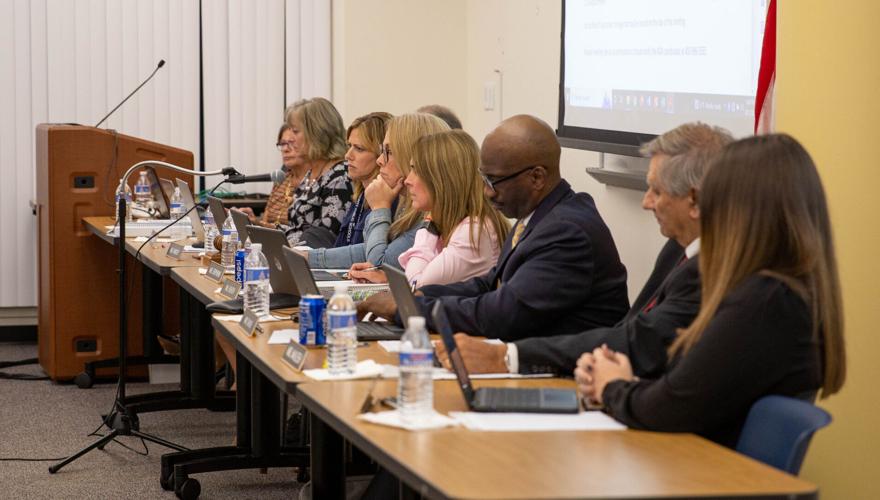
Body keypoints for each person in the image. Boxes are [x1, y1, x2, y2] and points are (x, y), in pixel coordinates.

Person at [577, 133, 846, 448]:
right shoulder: (776, 292)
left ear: (739, 210)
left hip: (704, 476)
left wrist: (613, 386)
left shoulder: (765, 301)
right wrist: (623, 381)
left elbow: (670, 406)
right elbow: (690, 391)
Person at [439, 122, 733, 377]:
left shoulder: (568, 230)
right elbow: (632, 330)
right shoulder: (677, 249)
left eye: (656, 190)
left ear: (694, 202)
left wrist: (507, 358)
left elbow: (643, 341)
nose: (645, 202)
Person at [358, 114, 629, 341]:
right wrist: (417, 296)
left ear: (537, 177)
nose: (486, 192)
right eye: (483, 179)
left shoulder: (566, 232)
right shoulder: (537, 216)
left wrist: (412, 308)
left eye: (493, 181)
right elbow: (489, 284)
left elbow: (502, 312)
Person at [350, 130, 509, 287]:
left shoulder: (473, 231)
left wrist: (428, 222)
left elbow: (417, 285)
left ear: (443, 179)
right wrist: (389, 279)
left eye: (416, 171)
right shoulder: (455, 224)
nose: (408, 180)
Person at [306, 113, 450, 268]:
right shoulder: (407, 205)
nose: (380, 160)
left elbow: (377, 265)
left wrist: (380, 207)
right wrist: (309, 258)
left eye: (389, 152)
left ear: (414, 157)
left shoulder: (428, 212)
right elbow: (370, 250)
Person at [281, 97, 353, 247]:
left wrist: (280, 245)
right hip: (295, 258)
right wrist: (259, 226)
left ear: (316, 133)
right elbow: (298, 228)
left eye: (295, 131)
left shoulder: (340, 177)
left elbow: (324, 240)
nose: (290, 139)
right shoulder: (311, 173)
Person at [333, 112, 393, 247]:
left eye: (359, 149)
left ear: (381, 154)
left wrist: (313, 257)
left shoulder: (389, 200)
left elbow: (369, 255)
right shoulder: (360, 195)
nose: (348, 155)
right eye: (349, 146)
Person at [237, 123, 310, 228]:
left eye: (291, 143)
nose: (285, 149)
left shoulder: (312, 183)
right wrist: (253, 220)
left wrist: (258, 224)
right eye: (282, 144)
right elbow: (267, 219)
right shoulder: (282, 178)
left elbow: (299, 232)